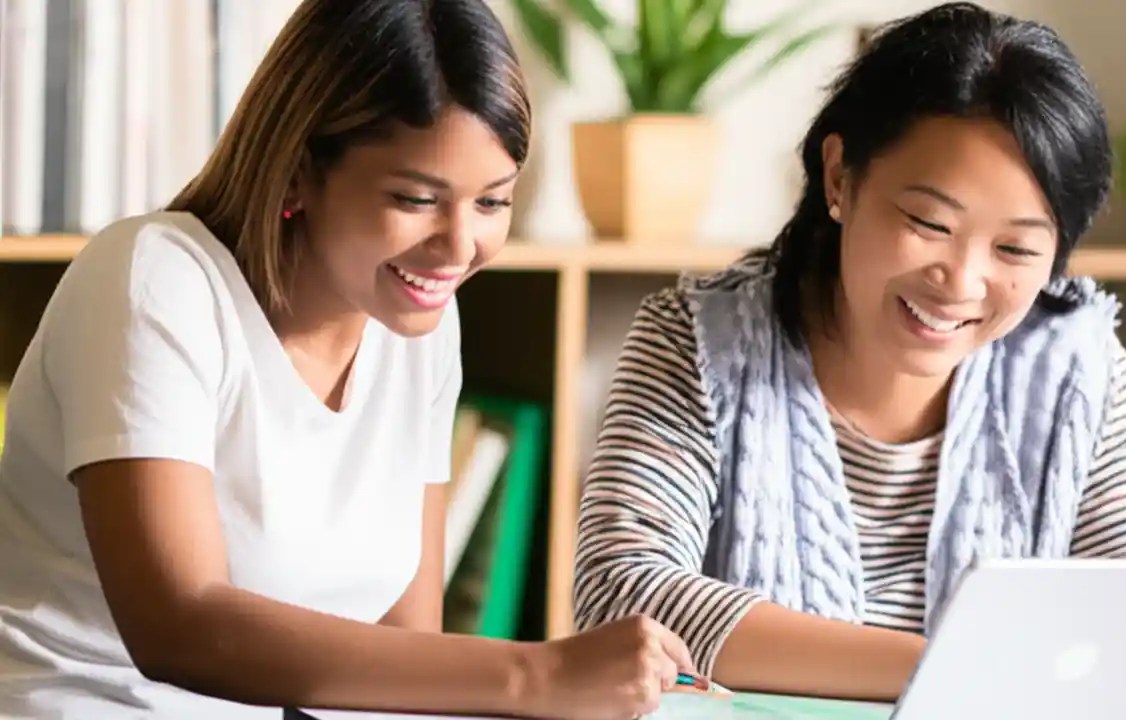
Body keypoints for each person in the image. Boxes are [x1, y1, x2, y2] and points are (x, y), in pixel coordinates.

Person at [0, 1, 695, 718]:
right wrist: (534, 676)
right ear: (298, 171)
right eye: (417, 198)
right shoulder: (155, 278)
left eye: (492, 202)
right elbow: (179, 626)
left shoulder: (420, 325)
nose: (459, 247)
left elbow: (408, 648)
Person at [572, 3, 1126, 719]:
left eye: (1015, 249)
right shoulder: (696, 343)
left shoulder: (1076, 368)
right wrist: (949, 669)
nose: (960, 283)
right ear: (839, 177)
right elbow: (623, 592)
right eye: (929, 223)